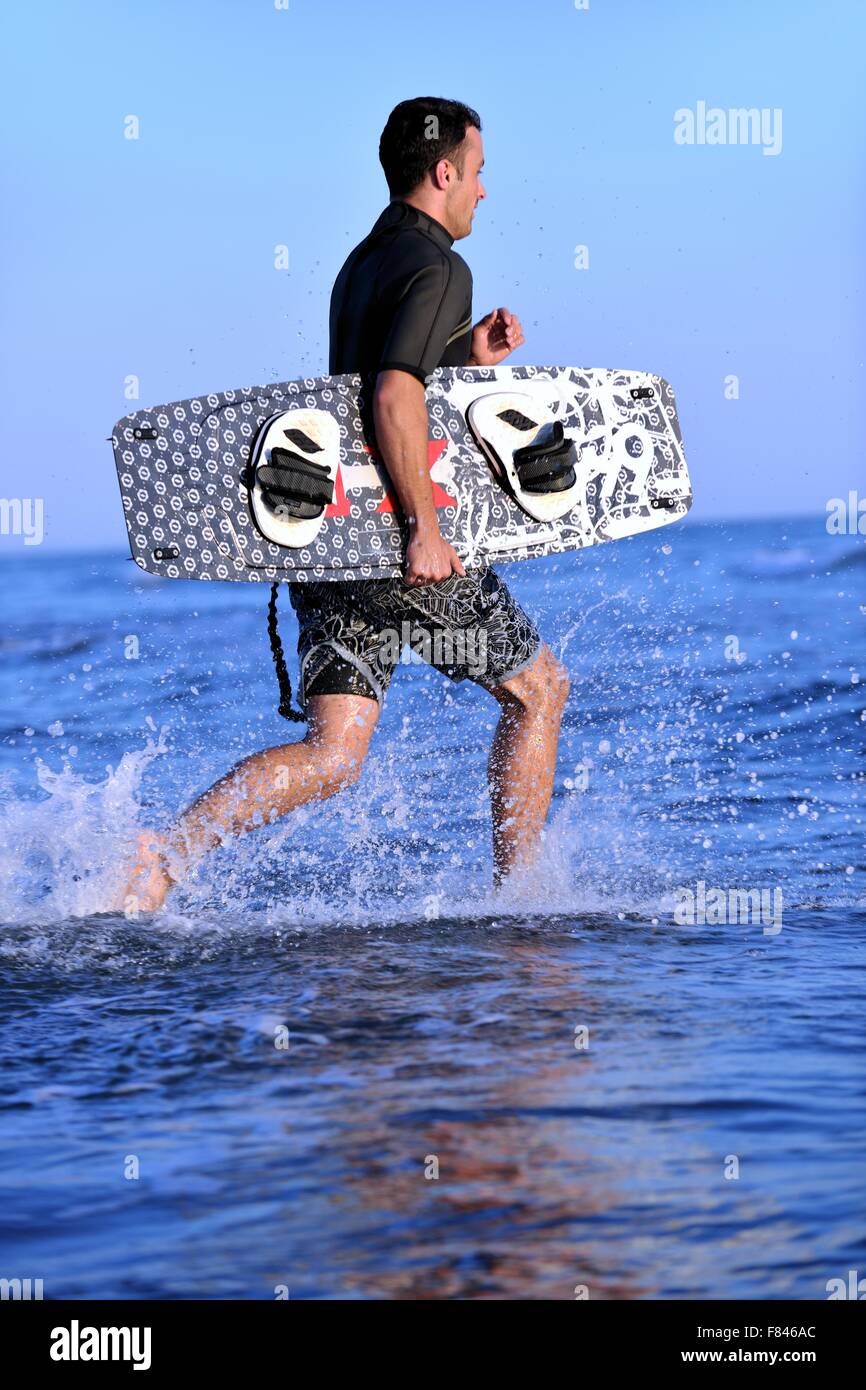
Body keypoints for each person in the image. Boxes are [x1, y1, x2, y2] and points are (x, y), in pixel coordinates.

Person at [121, 97, 570, 913]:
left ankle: (166, 855)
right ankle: (520, 905)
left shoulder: (364, 261)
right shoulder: (442, 267)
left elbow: (385, 381)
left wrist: (465, 356)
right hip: (402, 541)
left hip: (332, 544)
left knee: (333, 757)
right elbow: (395, 396)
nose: (483, 191)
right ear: (444, 172)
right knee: (539, 692)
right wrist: (425, 531)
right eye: (477, 172)